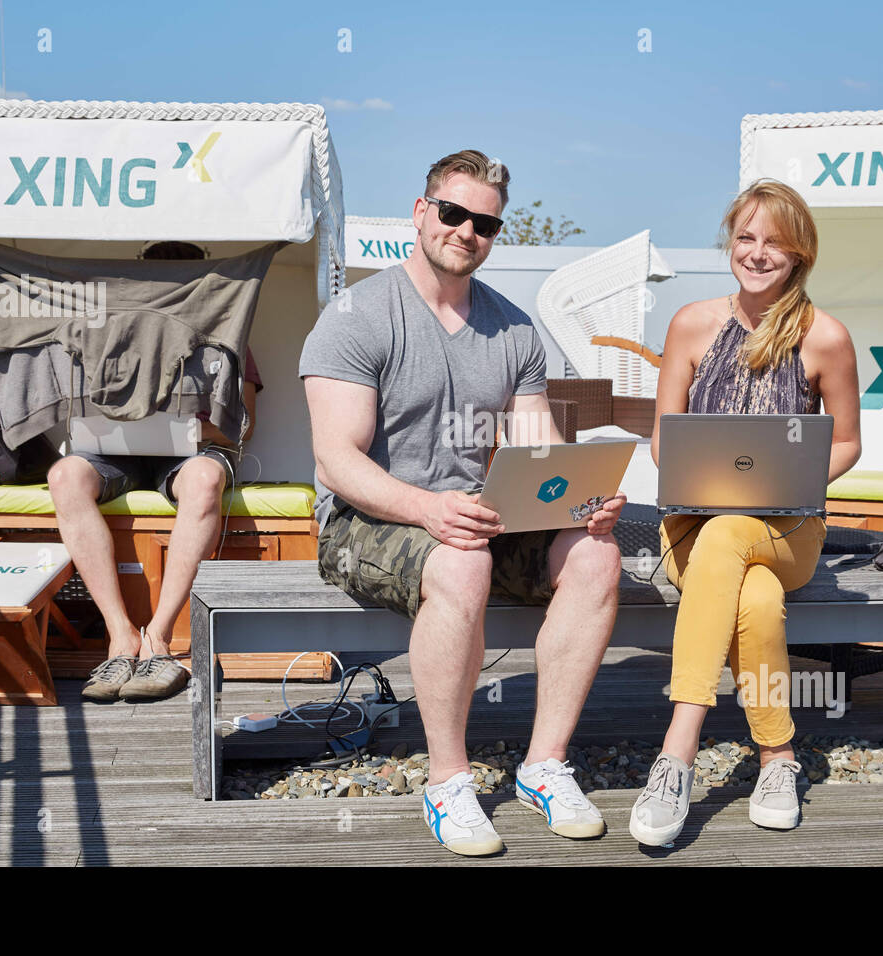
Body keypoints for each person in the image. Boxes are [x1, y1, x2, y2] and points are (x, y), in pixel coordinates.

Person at [299, 150, 625, 857]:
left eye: (484, 222)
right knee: (462, 563)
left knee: (597, 556)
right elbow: (337, 461)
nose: (466, 230)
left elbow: (538, 458)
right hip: (367, 521)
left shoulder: (512, 330)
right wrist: (426, 508)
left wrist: (580, 503)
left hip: (474, 517)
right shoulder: (357, 316)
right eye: (453, 213)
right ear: (422, 214)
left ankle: (543, 766)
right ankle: (449, 780)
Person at [629, 180, 861, 844]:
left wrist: (797, 479)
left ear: (799, 254)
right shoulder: (691, 324)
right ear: (730, 241)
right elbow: (664, 437)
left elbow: (846, 442)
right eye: (746, 237)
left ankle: (677, 751)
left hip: (789, 530)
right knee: (754, 602)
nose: (758, 253)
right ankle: (777, 757)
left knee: (737, 536)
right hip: (691, 531)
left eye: (775, 242)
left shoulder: (825, 338)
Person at [55, 240, 264, 703]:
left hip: (191, 455)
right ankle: (120, 636)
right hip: (117, 454)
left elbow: (243, 426)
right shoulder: (113, 335)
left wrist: (194, 426)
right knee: (64, 476)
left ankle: (160, 640)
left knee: (205, 479)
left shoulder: (229, 335)